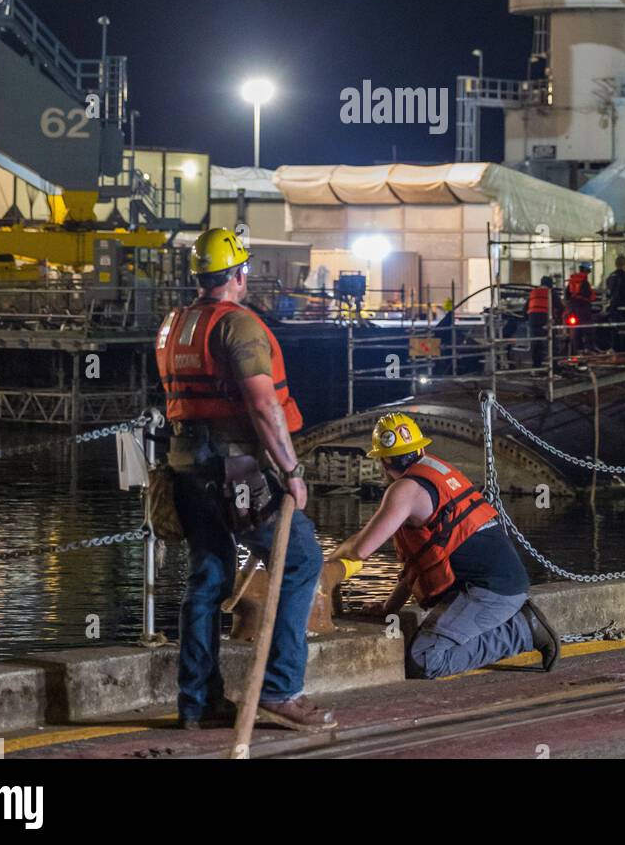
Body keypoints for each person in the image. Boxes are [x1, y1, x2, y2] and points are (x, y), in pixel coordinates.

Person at [155, 227, 335, 733]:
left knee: (207, 579)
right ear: (239, 274)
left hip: (186, 469)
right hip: (238, 470)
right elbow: (263, 404)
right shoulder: (239, 326)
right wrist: (293, 472)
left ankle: (197, 702)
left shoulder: (174, 325)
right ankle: (281, 691)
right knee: (301, 560)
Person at [330, 413, 558, 678]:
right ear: (421, 448)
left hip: (489, 592)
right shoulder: (437, 472)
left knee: (424, 660)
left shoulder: (404, 490)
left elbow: (361, 549)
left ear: (383, 461)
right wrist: (388, 608)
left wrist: (332, 561)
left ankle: (521, 631)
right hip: (503, 584)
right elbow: (420, 561)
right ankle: (515, 621)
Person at [525, 275, 559, 369]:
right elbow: (559, 306)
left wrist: (526, 319)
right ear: (550, 285)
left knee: (536, 344)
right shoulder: (551, 292)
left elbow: (525, 308)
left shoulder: (533, 292)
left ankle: (536, 368)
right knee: (552, 344)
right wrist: (558, 319)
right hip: (545, 319)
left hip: (533, 320)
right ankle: (554, 368)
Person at [605, 254, 625, 351]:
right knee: (624, 330)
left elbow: (608, 293)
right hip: (624, 308)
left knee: (614, 329)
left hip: (613, 307)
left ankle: (616, 349)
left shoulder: (611, 276)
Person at [564, 261, 596, 353]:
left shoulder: (572, 280)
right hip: (583, 308)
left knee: (576, 329)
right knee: (588, 328)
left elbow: (567, 295)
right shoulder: (584, 281)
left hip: (573, 307)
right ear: (587, 270)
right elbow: (589, 295)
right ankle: (589, 349)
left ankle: (577, 350)